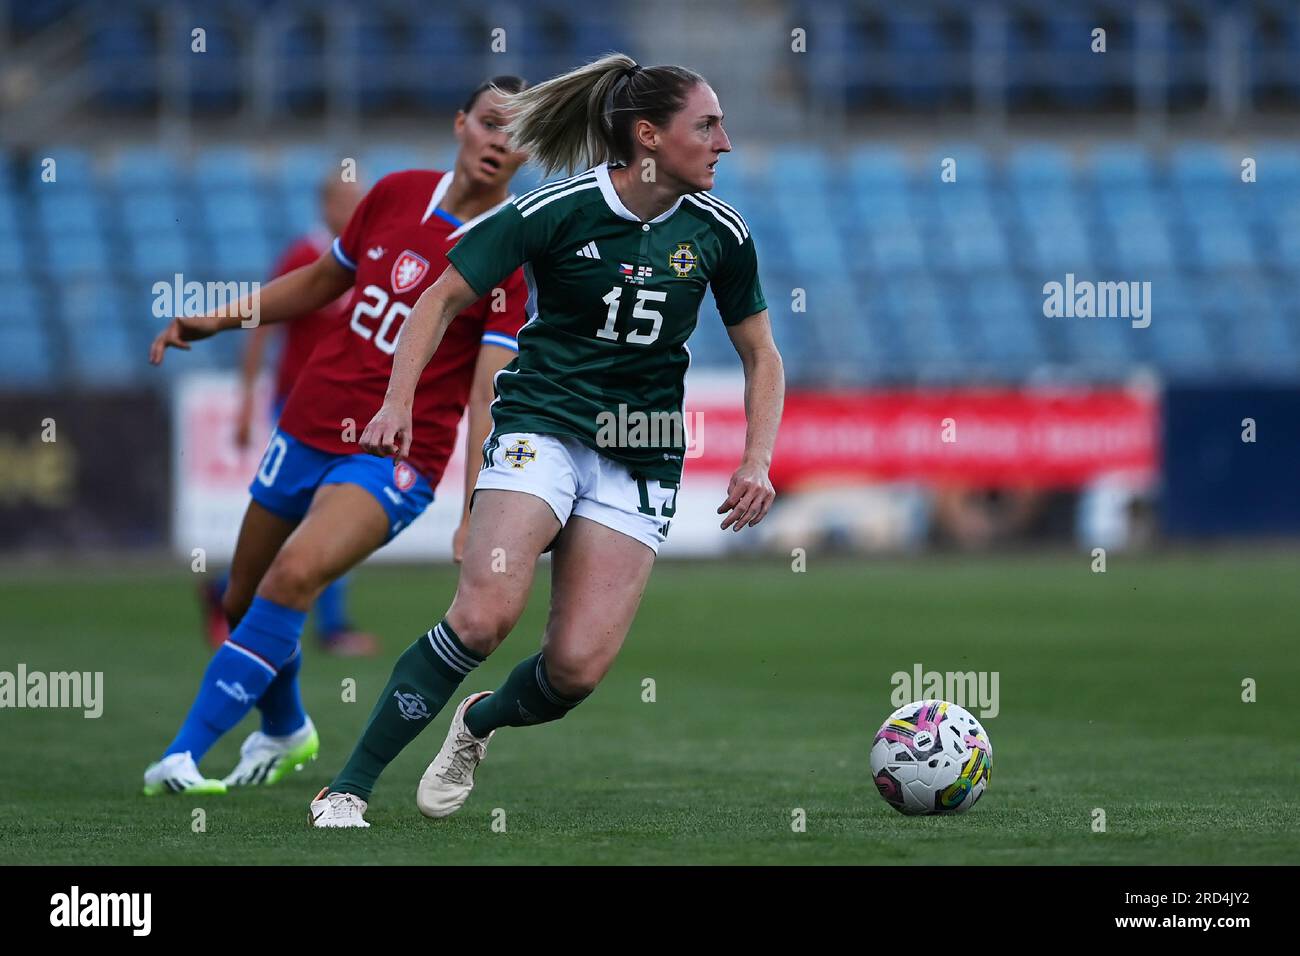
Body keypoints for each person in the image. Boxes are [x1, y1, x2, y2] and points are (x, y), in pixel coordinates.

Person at [310, 54, 785, 828]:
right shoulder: (555, 210)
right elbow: (440, 297)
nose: (725, 142)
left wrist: (756, 458)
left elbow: (762, 354)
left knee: (574, 670)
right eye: (707, 125)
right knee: (484, 615)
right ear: (649, 137)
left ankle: (478, 724)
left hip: (642, 447)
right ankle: (348, 789)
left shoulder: (721, 234)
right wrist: (398, 400)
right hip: (545, 425)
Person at [142, 76, 531, 796]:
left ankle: (182, 756)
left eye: (516, 133)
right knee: (243, 599)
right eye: (489, 122)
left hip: (396, 455)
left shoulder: (508, 251)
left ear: (528, 151)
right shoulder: (394, 192)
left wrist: (477, 513)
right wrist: (218, 317)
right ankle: (287, 728)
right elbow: (324, 281)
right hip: (310, 421)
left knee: (294, 576)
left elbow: (488, 391)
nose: (499, 141)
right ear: (460, 123)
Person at [199, 176, 379, 657]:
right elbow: (260, 327)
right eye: (344, 201)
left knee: (324, 514)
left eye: (358, 201)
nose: (352, 209)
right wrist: (244, 403)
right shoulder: (307, 256)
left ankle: (226, 589)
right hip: (301, 406)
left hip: (350, 409)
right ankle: (328, 625)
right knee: (322, 513)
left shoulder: (373, 257)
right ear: (324, 205)